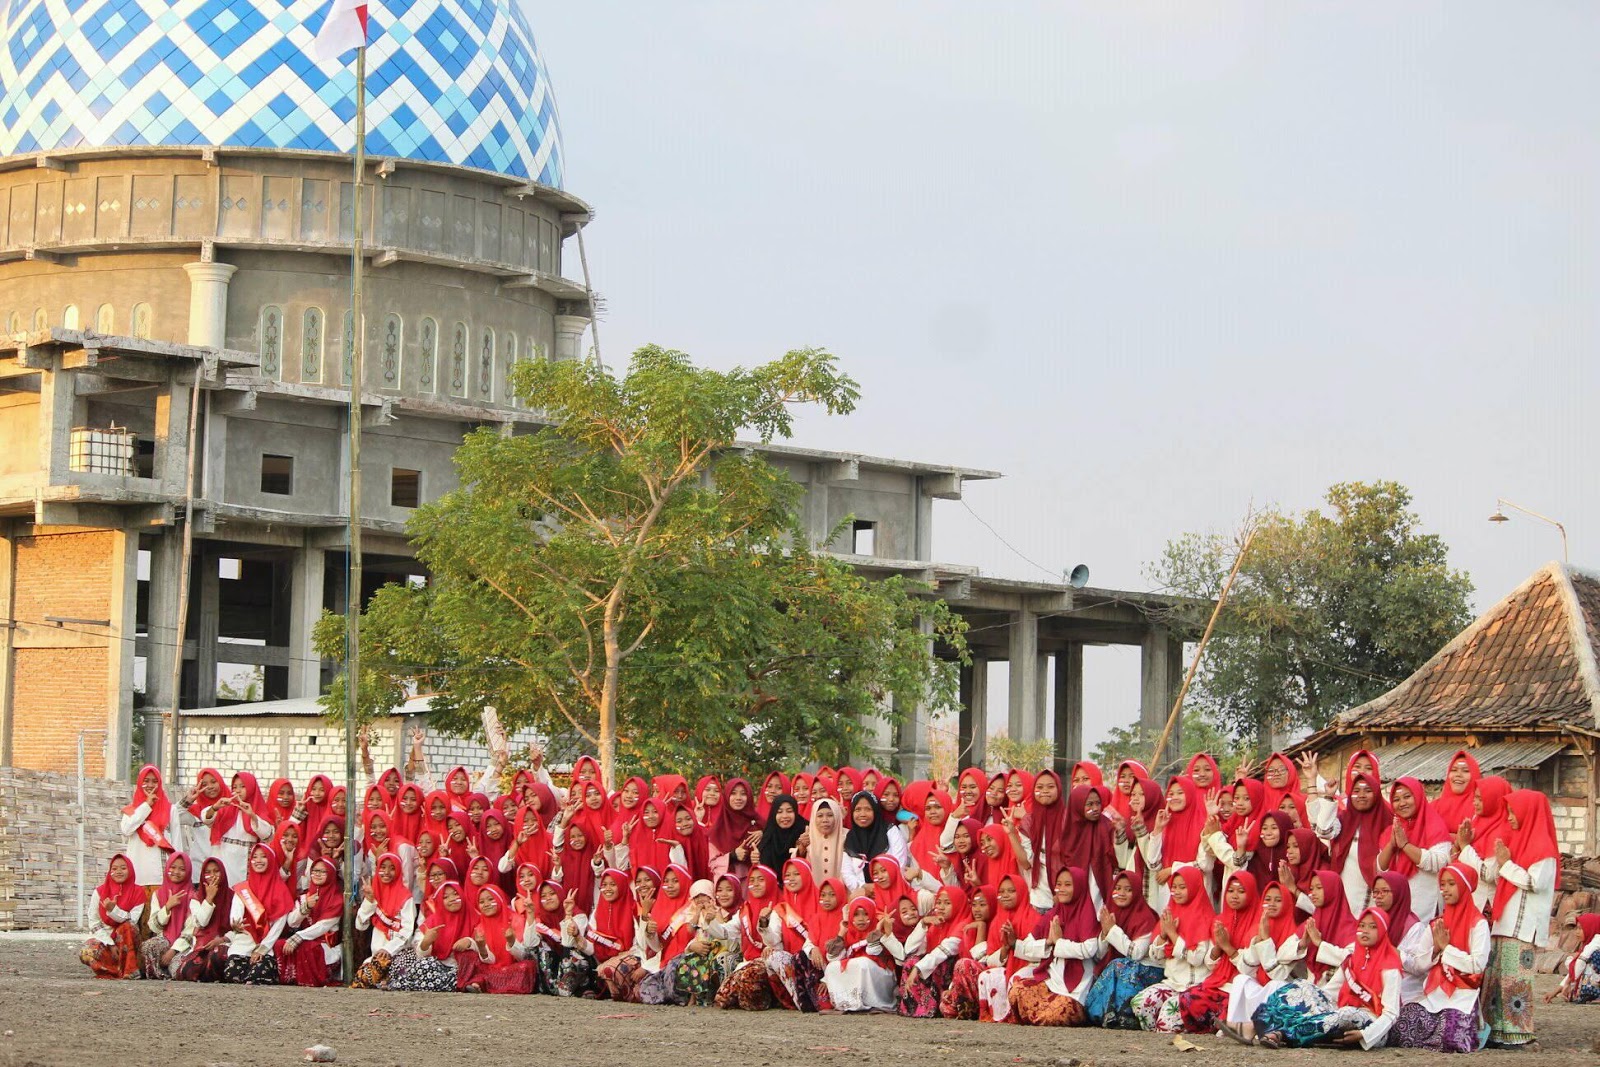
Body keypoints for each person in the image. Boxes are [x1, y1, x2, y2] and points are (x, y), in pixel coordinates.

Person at [1470, 788, 1558, 1049]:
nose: (1508, 817)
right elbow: (1497, 878)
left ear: (1528, 813)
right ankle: (1495, 1032)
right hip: (1503, 924)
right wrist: (1503, 863)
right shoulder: (1515, 844)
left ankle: (1519, 1033)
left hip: (1523, 929)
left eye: (1512, 812)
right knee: (1496, 980)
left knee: (1515, 980)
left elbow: (1534, 883)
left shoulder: (1544, 850)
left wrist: (1506, 864)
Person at [1254, 907, 1401, 1050]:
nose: (1365, 931)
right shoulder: (1352, 959)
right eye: (1362, 926)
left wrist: (1365, 1034)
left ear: (1383, 930)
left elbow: (1391, 1013)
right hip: (1340, 1014)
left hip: (1373, 1027)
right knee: (1302, 986)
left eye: (1373, 927)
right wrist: (1311, 998)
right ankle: (1263, 1023)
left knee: (1347, 1014)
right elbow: (1329, 992)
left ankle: (1282, 1034)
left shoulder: (1390, 966)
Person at [1392, 862, 1491, 1052]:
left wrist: (1447, 949)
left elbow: (1477, 965)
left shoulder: (1478, 924)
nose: (1444, 889)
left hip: (1463, 997)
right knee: (1401, 1027)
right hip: (1433, 996)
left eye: (1451, 884)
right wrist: (1436, 950)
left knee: (1451, 1038)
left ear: (1464, 886)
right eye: (1442, 884)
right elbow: (1418, 964)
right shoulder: (1437, 924)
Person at [1008, 866, 1101, 1026]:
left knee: (1062, 1010)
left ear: (1079, 887)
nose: (1061, 889)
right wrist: (1048, 942)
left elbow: (1089, 950)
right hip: (1051, 983)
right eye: (1059, 884)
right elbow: (1028, 945)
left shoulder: (1087, 914)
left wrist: (1059, 942)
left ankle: (1040, 1017)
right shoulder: (1053, 914)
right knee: (1016, 991)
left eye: (1068, 885)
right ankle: (1040, 1016)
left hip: (1075, 992)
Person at [1128, 865, 1216, 1032]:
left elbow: (1196, 959)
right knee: (1140, 1003)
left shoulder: (1205, 918)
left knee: (1166, 1020)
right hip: (1173, 984)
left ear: (1194, 887)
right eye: (1174, 887)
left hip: (1196, 986)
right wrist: (1163, 935)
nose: (1176, 891)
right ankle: (1155, 1042)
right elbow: (1155, 956)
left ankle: (1179, 1033)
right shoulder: (1171, 913)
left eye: (1182, 887)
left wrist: (1173, 935)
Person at [1217, 878, 1303, 1044]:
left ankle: (1264, 1028)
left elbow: (1278, 975)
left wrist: (1266, 940)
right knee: (1241, 979)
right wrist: (1258, 939)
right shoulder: (1258, 927)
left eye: (1278, 900)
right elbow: (1246, 969)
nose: (1272, 904)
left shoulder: (1293, 935)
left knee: (1276, 985)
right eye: (1267, 899)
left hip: (1285, 990)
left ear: (1287, 904)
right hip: (1263, 987)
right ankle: (1236, 1025)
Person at [1082, 869, 1162, 1029]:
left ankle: (1126, 1015)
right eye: (1117, 888)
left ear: (1136, 892)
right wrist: (1105, 932)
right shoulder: (1111, 914)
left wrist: (1112, 930)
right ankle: (1105, 1014)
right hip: (1125, 969)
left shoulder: (1146, 917)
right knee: (1116, 967)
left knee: (1118, 966)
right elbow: (1099, 955)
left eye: (1128, 889)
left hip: (1148, 971)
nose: (1121, 893)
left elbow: (1136, 953)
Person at [1378, 777, 1452, 922]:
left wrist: (1405, 846)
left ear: (1418, 796)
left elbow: (1440, 863)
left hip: (1426, 904)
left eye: (1407, 797)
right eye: (1396, 799)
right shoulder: (1392, 830)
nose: (1402, 803)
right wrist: (1392, 845)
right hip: (1396, 904)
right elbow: (1380, 869)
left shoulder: (1434, 825)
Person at [223, 842, 293, 984]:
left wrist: (262, 949)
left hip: (266, 946)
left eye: (263, 856)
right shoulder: (243, 888)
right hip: (243, 943)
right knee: (232, 974)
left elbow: (278, 926)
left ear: (271, 860)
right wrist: (235, 924)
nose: (258, 860)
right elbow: (236, 913)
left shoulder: (280, 890)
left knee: (259, 975)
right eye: (255, 857)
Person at [823, 897, 898, 1012]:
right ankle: (846, 1003)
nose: (861, 919)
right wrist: (841, 933)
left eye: (866, 914)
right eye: (856, 914)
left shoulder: (880, 931)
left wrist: (877, 929)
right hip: (859, 968)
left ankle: (870, 1002)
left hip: (881, 973)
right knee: (832, 967)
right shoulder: (848, 934)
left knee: (862, 963)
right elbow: (833, 958)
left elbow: (873, 951)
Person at [278, 857, 342, 987]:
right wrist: (306, 907)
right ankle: (288, 978)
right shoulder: (305, 897)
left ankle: (310, 979)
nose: (318, 874)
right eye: (315, 871)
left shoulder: (337, 899)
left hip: (326, 946)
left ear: (331, 874)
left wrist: (299, 936)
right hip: (305, 940)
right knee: (279, 945)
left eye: (323, 871)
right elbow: (291, 922)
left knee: (309, 948)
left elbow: (323, 926)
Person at [81, 853, 145, 979]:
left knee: (128, 926)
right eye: (114, 869)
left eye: (123, 868)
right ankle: (113, 971)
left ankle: (130, 969)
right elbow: (93, 922)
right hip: (105, 939)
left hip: (128, 941)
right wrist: (110, 944)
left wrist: (113, 910)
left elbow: (132, 919)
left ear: (130, 870)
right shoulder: (99, 892)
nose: (118, 872)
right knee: (86, 952)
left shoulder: (138, 892)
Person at [121, 764, 182, 888]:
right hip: (137, 875)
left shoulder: (170, 810)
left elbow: (177, 843)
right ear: (139, 783)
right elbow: (126, 830)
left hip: (161, 876)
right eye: (146, 781)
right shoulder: (131, 810)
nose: (150, 785)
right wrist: (146, 805)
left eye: (154, 781)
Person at [174, 857, 233, 982]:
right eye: (208, 872)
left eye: (216, 871)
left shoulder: (233, 896)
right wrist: (209, 899)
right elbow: (201, 922)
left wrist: (222, 939)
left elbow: (237, 927)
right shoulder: (197, 897)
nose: (212, 875)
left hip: (225, 943)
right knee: (186, 971)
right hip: (202, 946)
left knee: (217, 956)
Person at [140, 851, 195, 979]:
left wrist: (173, 950)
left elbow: (191, 930)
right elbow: (154, 927)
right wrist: (167, 907)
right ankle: (159, 975)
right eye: (173, 867)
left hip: (185, 945)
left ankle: (170, 971)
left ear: (188, 872)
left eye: (182, 869)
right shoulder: (159, 894)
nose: (176, 872)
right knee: (148, 946)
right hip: (164, 939)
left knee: (177, 969)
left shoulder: (193, 896)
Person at [841, 790, 910, 890]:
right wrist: (864, 887)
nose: (862, 814)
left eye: (868, 809)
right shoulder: (850, 838)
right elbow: (847, 873)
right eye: (858, 809)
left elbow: (900, 863)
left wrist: (880, 888)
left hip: (892, 890)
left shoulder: (890, 831)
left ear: (875, 811)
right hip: (862, 894)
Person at [1551, 912, 1600, 1004]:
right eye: (1576, 928)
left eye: (1581, 928)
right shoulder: (1588, 944)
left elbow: (1581, 961)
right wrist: (1554, 992)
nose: (1577, 932)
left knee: (1590, 958)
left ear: (1590, 928)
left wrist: (1567, 984)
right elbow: (1574, 970)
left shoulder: (1597, 940)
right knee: (1572, 961)